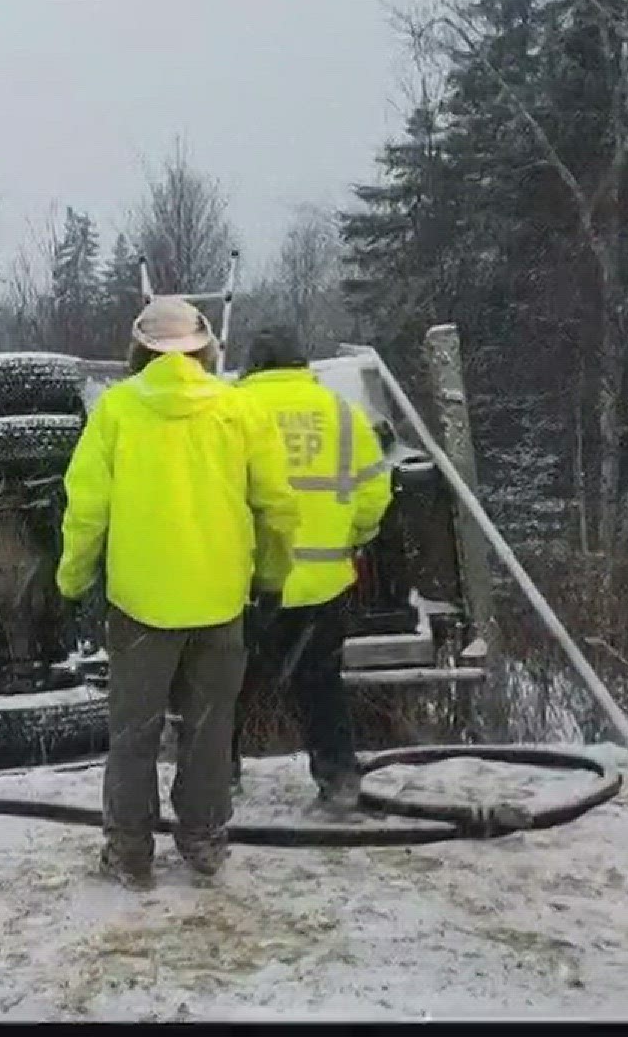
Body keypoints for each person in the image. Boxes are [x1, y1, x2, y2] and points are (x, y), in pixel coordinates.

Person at [56, 297, 299, 889]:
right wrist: (271, 578)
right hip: (220, 601)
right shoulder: (238, 409)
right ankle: (204, 839)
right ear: (205, 347)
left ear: (138, 350)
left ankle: (130, 852)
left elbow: (86, 511)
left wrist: (72, 581)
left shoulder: (115, 411)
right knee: (210, 728)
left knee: (133, 734)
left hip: (139, 607)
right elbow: (276, 506)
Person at [229, 324, 393, 812]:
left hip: (246, 583)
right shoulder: (342, 413)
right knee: (320, 683)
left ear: (252, 365)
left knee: (225, 684)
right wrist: (353, 537)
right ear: (302, 363)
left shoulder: (231, 412)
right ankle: (337, 776)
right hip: (323, 582)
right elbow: (374, 493)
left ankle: (217, 776)